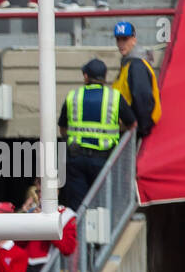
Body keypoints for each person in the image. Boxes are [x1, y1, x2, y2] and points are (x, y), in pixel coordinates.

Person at [57, 58, 135, 210]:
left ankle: (79, 233)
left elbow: (62, 128)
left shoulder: (73, 96)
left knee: (78, 208)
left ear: (86, 76)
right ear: (105, 77)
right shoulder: (114, 97)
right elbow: (133, 124)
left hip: (77, 159)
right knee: (103, 206)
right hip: (104, 160)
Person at [112, 21, 161, 139]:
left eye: (125, 39)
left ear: (134, 39)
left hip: (134, 133)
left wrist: (141, 131)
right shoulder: (128, 63)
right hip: (129, 130)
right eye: (118, 39)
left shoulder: (136, 65)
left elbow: (143, 98)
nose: (121, 44)